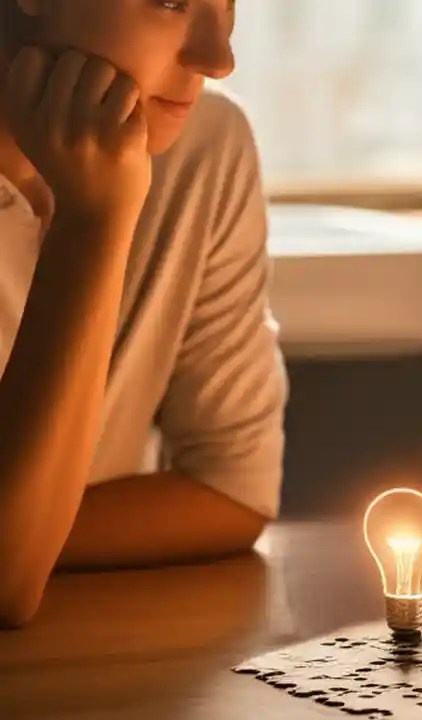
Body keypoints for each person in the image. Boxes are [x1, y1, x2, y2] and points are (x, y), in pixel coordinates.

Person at [0, 0, 285, 629]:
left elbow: (233, 489)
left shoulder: (203, 148)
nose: (219, 58)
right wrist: (96, 218)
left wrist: (28, 534)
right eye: (171, 2)